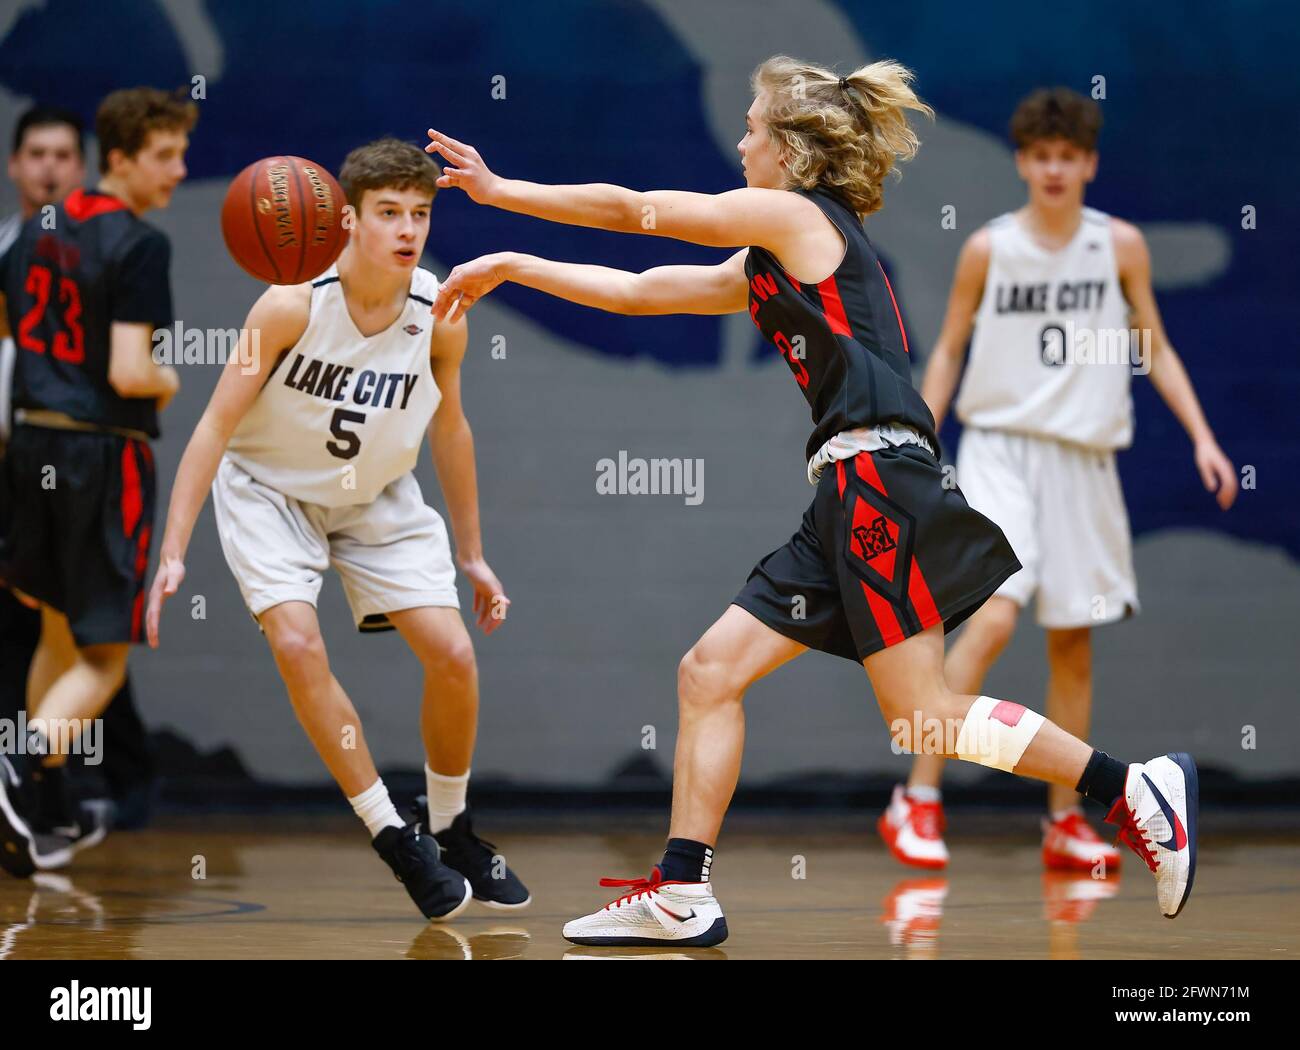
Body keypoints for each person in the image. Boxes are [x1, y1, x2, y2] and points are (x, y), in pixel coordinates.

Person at [423, 55, 1199, 946]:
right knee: (709, 673)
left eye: (753, 128)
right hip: (842, 493)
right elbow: (641, 292)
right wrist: (517, 267)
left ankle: (1133, 787)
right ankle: (682, 892)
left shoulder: (798, 217)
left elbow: (637, 210)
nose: (742, 140)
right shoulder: (772, 259)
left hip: (877, 483)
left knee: (926, 717)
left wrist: (498, 191)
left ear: (788, 152)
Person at [144, 138, 530, 922]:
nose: (407, 228)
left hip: (376, 494)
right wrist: (174, 549)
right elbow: (215, 425)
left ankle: (451, 825)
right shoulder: (289, 303)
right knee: (295, 642)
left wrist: (474, 556)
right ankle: (392, 833)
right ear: (345, 220)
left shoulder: (441, 314)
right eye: (389, 212)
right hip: (269, 492)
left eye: (420, 213)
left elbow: (452, 432)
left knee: (454, 654)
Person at [878, 87, 1236, 872]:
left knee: (1072, 644)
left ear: (1089, 164)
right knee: (996, 620)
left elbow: (1157, 347)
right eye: (1040, 156)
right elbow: (946, 351)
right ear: (1021, 162)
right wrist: (912, 441)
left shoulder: (1121, 246)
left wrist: (1204, 438)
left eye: (1067, 157)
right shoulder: (989, 248)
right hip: (1000, 449)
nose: (1053, 169)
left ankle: (1064, 821)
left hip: (1085, 460)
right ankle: (920, 795)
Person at [0, 88, 192, 877]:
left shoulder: (27, 237)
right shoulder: (141, 244)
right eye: (166, 155)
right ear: (120, 159)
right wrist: (172, 381)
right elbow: (128, 369)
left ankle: (40, 807)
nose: (180, 171)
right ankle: (18, 768)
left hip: (30, 447)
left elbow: (12, 334)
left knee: (54, 628)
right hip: (100, 457)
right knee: (105, 657)